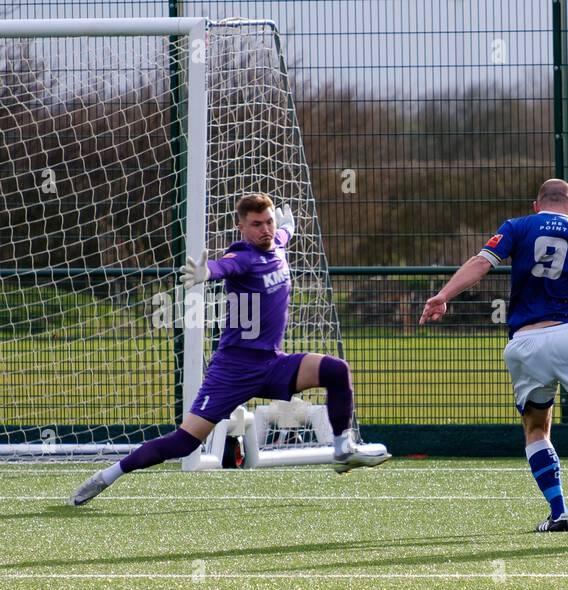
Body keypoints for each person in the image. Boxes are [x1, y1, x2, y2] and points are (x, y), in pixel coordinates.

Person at [69, 193, 387, 506]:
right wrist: (207, 273)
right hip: (233, 372)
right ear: (241, 229)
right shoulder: (243, 257)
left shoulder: (277, 242)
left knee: (336, 370)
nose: (265, 230)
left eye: (269, 222)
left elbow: (284, 236)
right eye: (256, 224)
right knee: (183, 443)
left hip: (272, 363)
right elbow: (225, 268)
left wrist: (289, 228)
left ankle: (343, 448)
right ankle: (108, 476)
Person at [421, 178, 568, 532]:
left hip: (524, 345)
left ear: (536, 204)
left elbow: (481, 263)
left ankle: (558, 513)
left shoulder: (517, 227)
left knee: (535, 428)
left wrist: (443, 295)